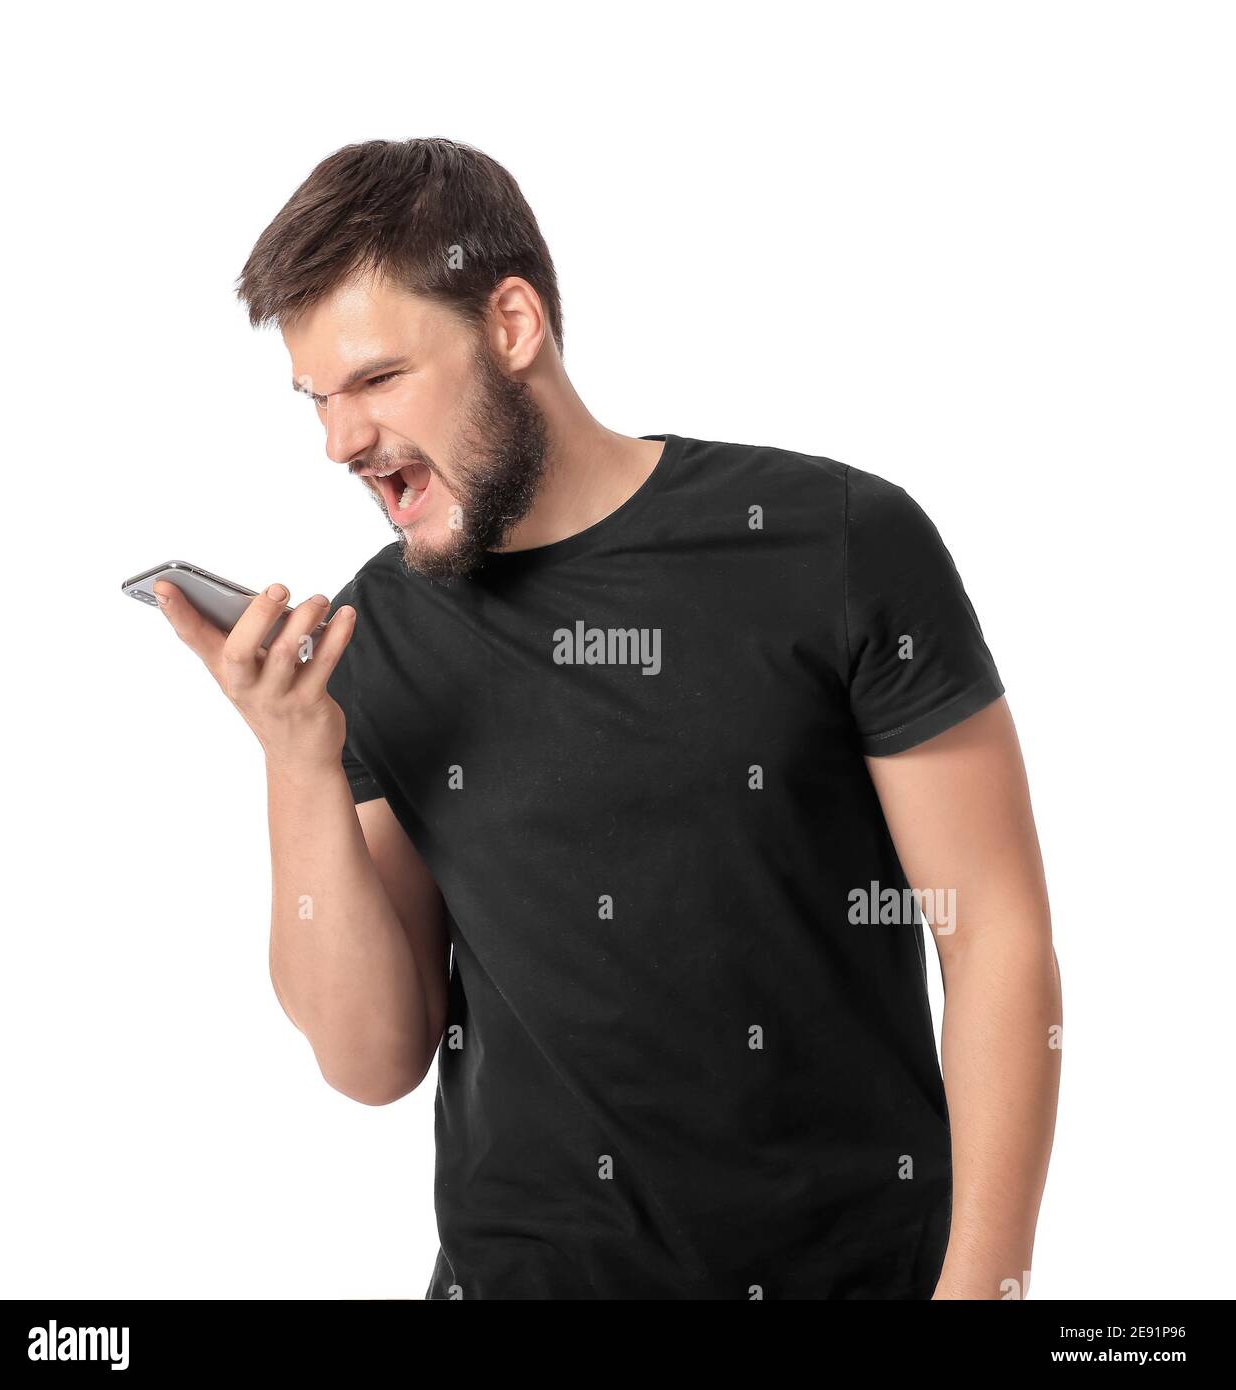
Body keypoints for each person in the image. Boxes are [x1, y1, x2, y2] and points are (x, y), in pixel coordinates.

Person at [155, 137, 1061, 1300]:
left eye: (377, 381)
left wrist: (985, 1290)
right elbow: (371, 1057)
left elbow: (994, 937)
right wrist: (296, 760)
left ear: (513, 324)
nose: (340, 442)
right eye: (317, 400)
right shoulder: (381, 627)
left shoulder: (833, 542)